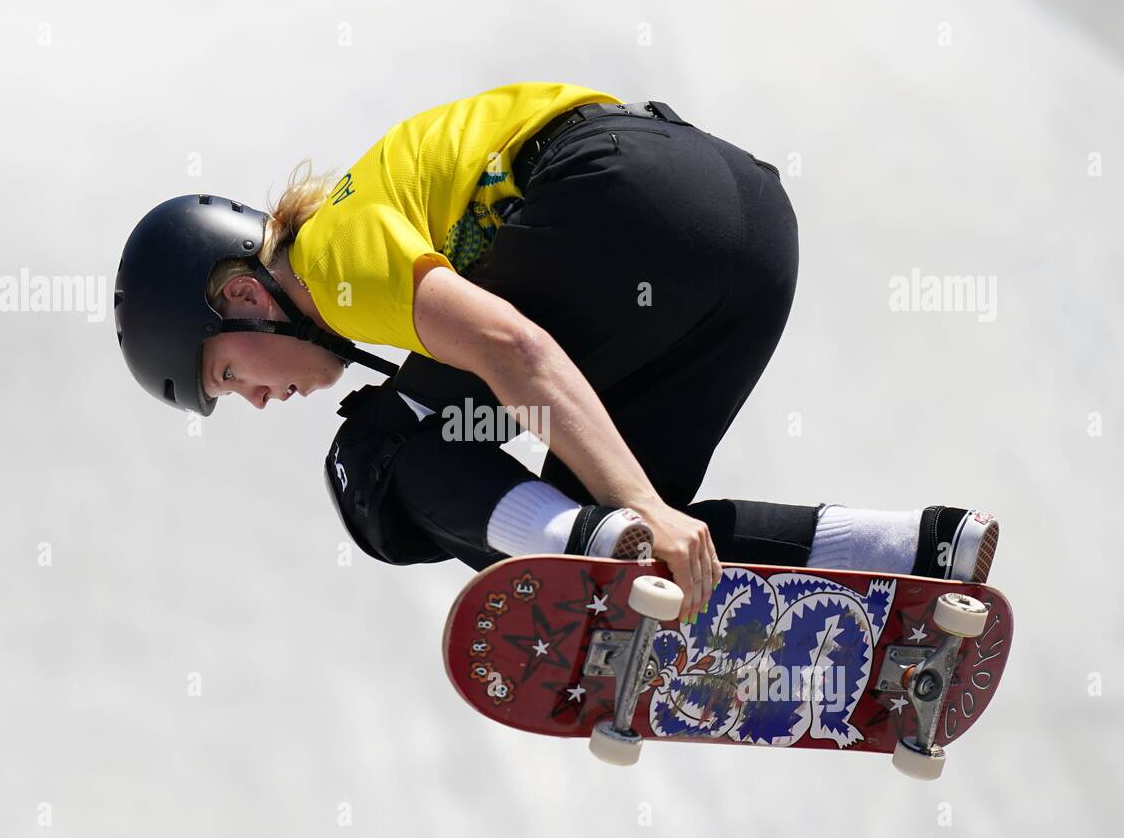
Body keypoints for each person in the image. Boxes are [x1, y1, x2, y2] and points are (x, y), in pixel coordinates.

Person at [113, 82, 1000, 626]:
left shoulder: (331, 262)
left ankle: (599, 538)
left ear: (237, 293)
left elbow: (512, 343)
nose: (257, 399)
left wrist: (634, 504)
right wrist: (645, 514)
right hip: (750, 238)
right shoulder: (359, 252)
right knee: (640, 551)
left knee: (374, 458)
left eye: (228, 375)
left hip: (634, 198)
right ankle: (917, 552)